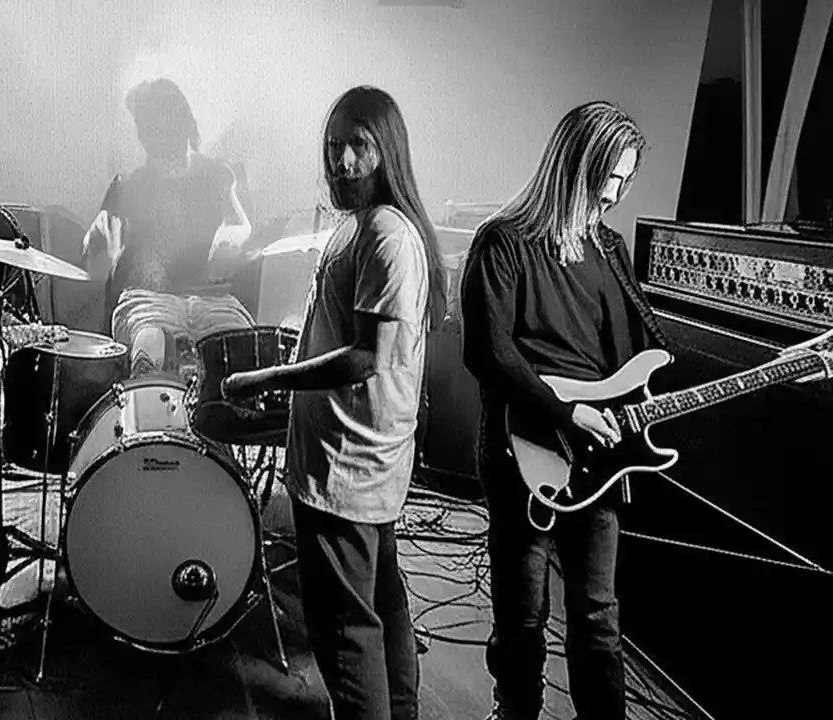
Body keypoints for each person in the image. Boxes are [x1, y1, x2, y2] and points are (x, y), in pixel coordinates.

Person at [223, 85, 446, 720]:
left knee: (345, 633)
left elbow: (365, 358)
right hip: (349, 462)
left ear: (388, 151)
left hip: (349, 468)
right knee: (380, 604)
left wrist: (267, 378)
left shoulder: (387, 236)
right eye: (334, 147)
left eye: (359, 146)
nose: (343, 161)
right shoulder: (363, 227)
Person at [460, 101, 669, 720]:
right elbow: (489, 353)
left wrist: (640, 401)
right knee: (524, 620)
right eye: (611, 178)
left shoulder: (609, 247)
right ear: (576, 165)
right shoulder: (504, 242)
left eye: (626, 180)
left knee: (598, 616)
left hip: (599, 458)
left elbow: (636, 352)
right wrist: (563, 412)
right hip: (525, 447)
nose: (618, 194)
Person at [81, 77, 257, 379]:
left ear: (185, 123)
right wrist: (96, 247)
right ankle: (147, 409)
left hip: (214, 300)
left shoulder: (219, 176)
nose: (158, 135)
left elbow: (244, 226)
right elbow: (94, 260)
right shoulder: (127, 186)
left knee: (240, 355)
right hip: (147, 300)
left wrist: (237, 238)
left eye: (167, 122)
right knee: (151, 344)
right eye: (151, 127)